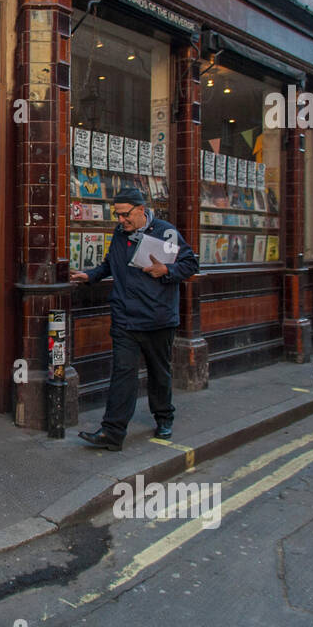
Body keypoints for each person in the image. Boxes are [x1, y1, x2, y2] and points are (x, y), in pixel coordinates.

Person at [71, 186, 199, 450]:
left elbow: (190, 264)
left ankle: (164, 418)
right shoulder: (120, 234)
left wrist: (166, 269)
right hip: (125, 317)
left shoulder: (166, 232)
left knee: (159, 372)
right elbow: (109, 264)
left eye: (124, 214)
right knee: (122, 374)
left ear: (141, 210)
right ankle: (112, 433)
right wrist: (91, 275)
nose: (120, 220)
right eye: (117, 215)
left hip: (157, 317)